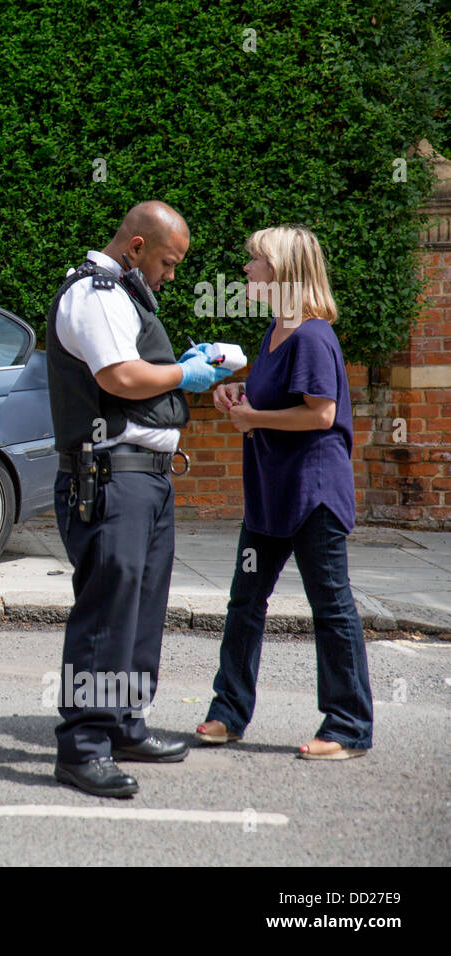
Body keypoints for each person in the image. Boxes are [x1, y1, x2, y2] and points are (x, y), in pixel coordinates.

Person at [46, 201, 232, 798]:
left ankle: (124, 723)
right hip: (111, 475)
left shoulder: (121, 294)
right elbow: (120, 378)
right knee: (108, 611)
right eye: (167, 261)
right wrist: (185, 375)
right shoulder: (96, 292)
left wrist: (178, 368)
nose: (170, 275)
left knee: (142, 609)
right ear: (135, 248)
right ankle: (83, 747)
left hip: (143, 477)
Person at [198, 225, 373, 759]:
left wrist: (253, 417)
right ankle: (228, 713)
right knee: (245, 601)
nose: (247, 271)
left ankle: (348, 726)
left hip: (312, 496)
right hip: (269, 495)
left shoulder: (313, 335)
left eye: (255, 262)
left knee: (331, 607)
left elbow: (319, 413)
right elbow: (275, 398)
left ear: (283, 273)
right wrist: (239, 392)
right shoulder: (276, 331)